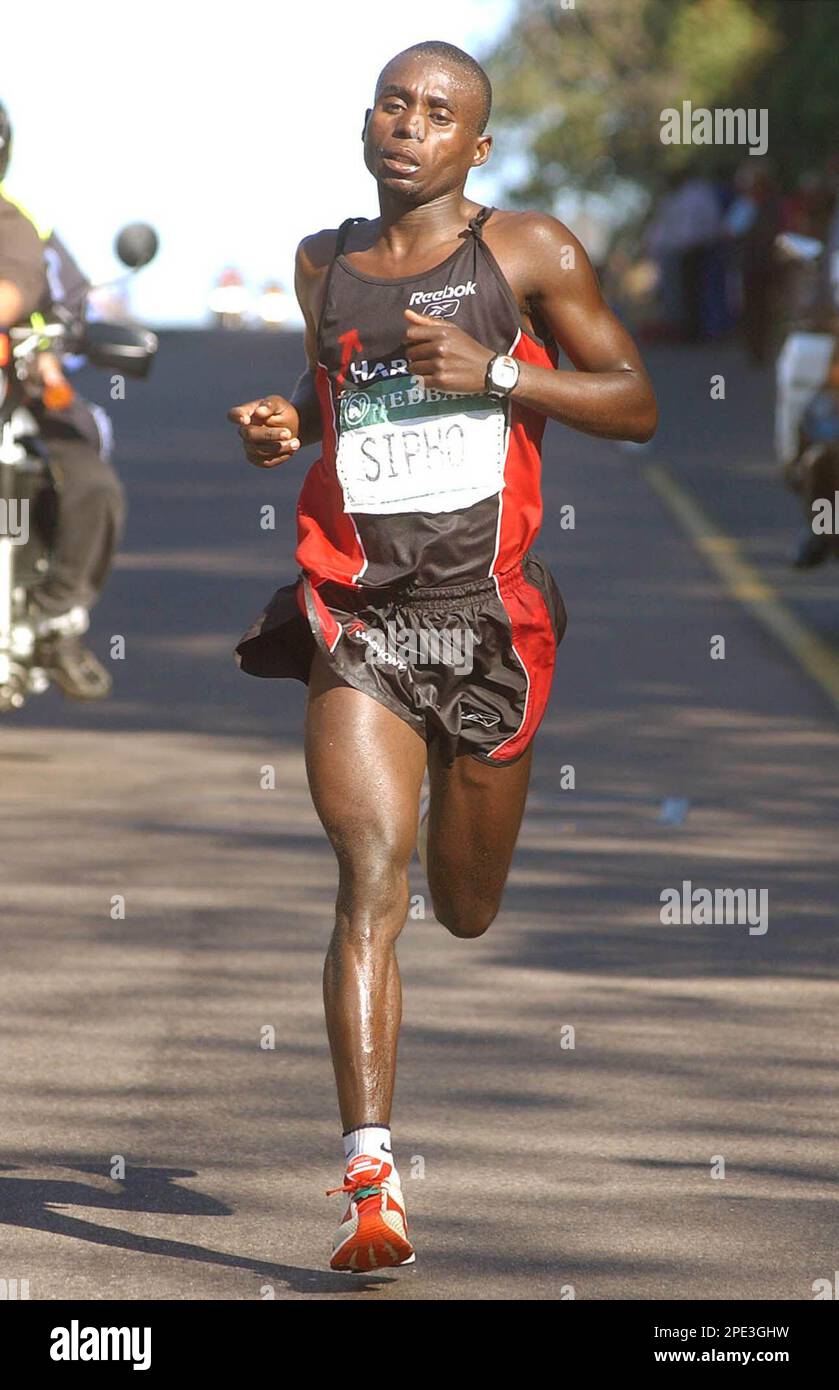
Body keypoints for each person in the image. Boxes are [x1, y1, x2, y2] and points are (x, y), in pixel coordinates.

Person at [229, 40, 657, 1272]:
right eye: (391, 103)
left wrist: (503, 370)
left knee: (462, 907)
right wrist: (285, 422)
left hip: (489, 622)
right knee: (370, 876)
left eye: (437, 113)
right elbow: (338, 390)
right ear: (366, 122)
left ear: (476, 147)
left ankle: (467, 829)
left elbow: (631, 398)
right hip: (358, 619)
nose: (406, 124)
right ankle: (371, 1179)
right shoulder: (323, 263)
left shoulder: (526, 253)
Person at [0, 100, 124, 698]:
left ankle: (55, 618)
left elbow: (40, 296)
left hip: (19, 394)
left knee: (92, 481)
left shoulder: (21, 224)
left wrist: (59, 341)